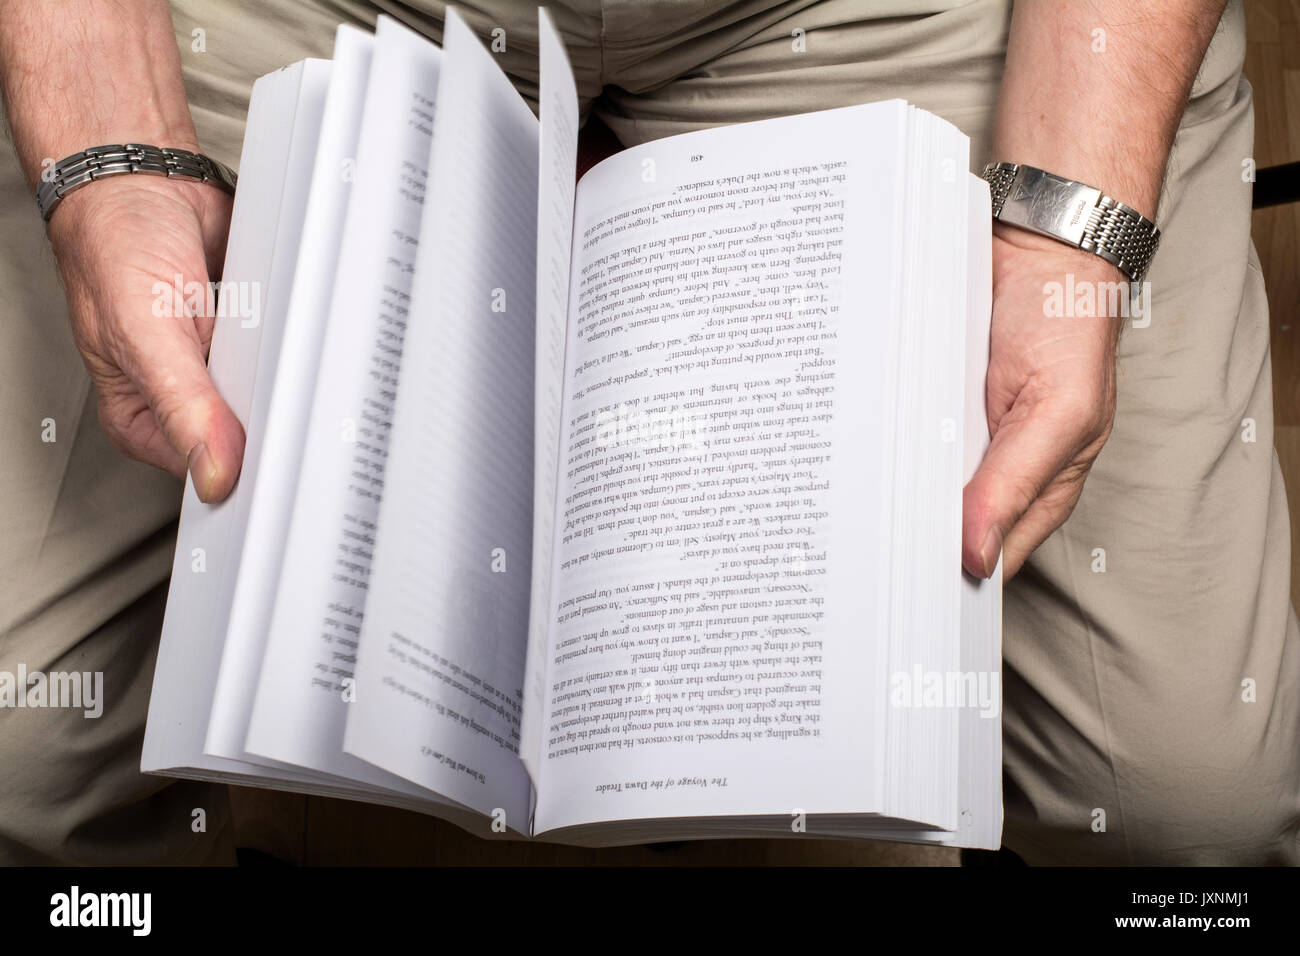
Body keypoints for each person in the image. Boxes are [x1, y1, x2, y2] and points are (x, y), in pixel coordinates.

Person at [0, 0, 1294, 865]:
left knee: (1192, 810)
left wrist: (1067, 232)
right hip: (298, 11)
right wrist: (102, 154)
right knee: (24, 751)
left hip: (871, 13)